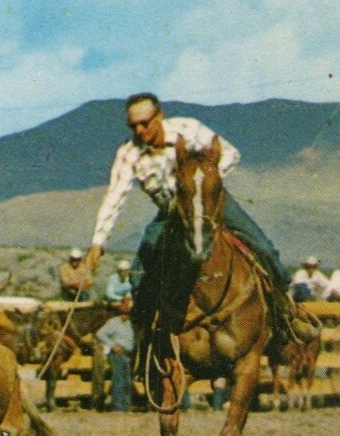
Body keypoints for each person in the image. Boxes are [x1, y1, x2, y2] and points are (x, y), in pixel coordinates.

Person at [81, 92, 316, 345]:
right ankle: (147, 341)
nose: (139, 130)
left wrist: (204, 182)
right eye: (133, 125)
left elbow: (230, 153)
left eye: (144, 123)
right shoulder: (129, 153)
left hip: (211, 202)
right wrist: (97, 244)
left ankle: (288, 311)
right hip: (171, 214)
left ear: (159, 116)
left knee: (263, 247)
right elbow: (114, 197)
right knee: (139, 272)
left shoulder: (188, 129)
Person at [94, 295, 136, 412]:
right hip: (117, 354)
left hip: (127, 354)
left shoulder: (129, 323)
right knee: (118, 379)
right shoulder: (114, 322)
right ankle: (118, 407)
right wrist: (112, 345)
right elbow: (100, 334)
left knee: (127, 380)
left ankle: (125, 406)